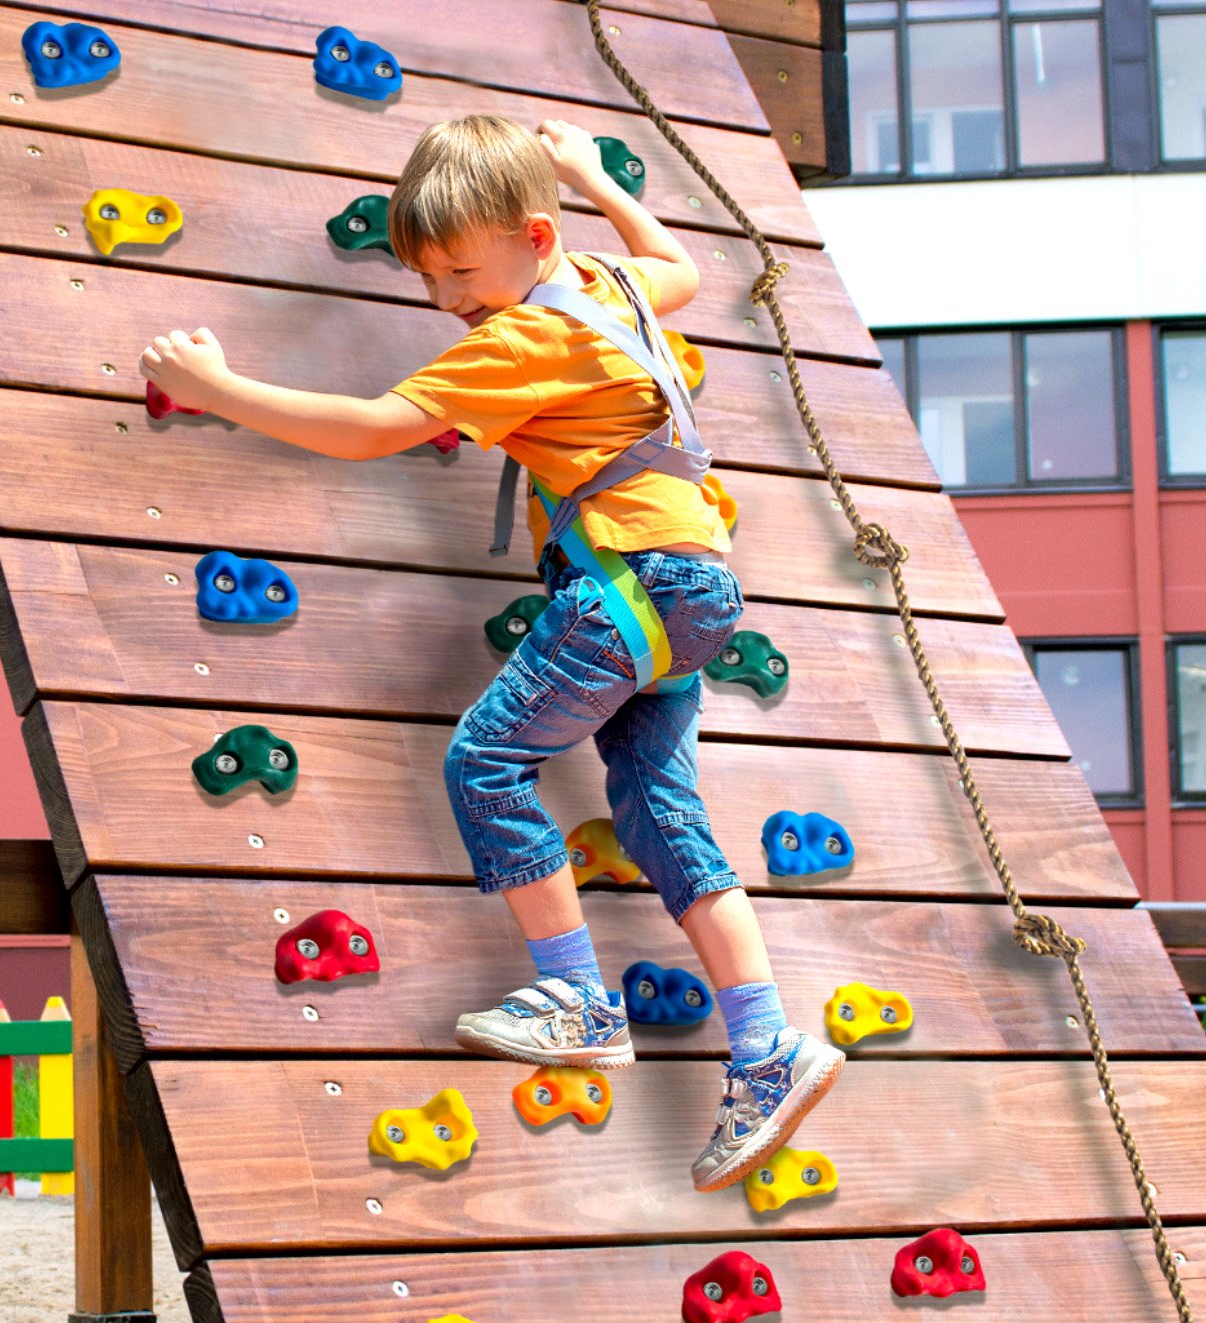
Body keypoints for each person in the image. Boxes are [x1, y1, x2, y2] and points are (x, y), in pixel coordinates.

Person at [138, 112, 842, 1191]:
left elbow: (374, 426)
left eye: (462, 268)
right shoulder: (601, 288)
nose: (449, 297)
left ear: (534, 241)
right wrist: (595, 179)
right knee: (658, 813)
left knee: (486, 761)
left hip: (627, 585)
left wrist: (218, 390)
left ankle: (572, 995)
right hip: (695, 589)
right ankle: (766, 1043)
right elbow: (680, 269)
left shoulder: (525, 339)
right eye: (427, 278)